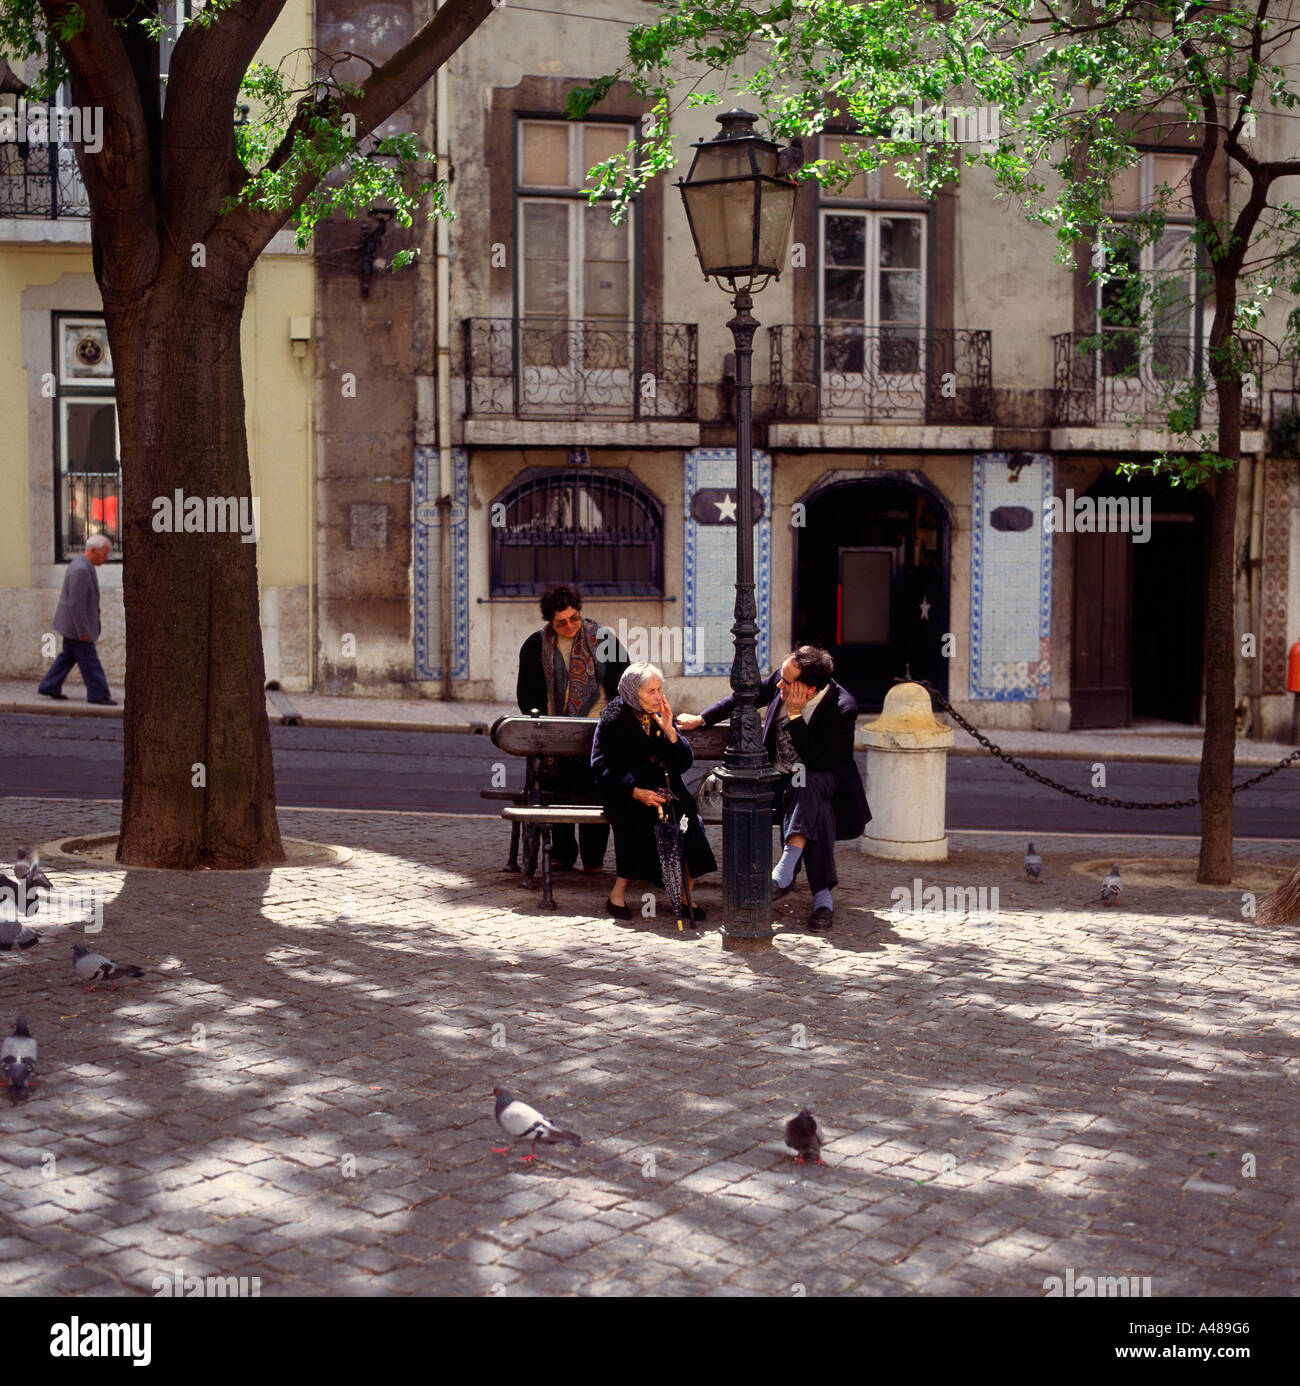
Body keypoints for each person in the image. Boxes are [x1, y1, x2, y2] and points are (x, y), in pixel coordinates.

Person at [678, 645, 868, 932]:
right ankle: (820, 897)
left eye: (788, 681)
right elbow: (743, 697)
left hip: (825, 780)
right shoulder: (784, 677)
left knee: (809, 780)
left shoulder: (843, 708)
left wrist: (794, 717)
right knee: (819, 810)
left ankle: (784, 874)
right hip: (780, 784)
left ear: (809, 688)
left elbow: (819, 761)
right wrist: (702, 719)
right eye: (781, 675)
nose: (779, 683)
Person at [590, 662, 716, 923]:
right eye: (650, 691)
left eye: (659, 689)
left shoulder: (661, 713)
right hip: (627, 790)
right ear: (633, 691)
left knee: (690, 824)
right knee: (635, 822)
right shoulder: (613, 714)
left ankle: (684, 896)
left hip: (666, 789)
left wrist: (671, 732)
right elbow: (601, 763)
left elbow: (683, 763)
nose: (658, 696)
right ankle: (617, 894)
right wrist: (635, 791)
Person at [516, 583, 628, 872]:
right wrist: (544, 723)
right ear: (549, 622)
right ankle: (563, 853)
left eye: (574, 618)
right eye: (561, 622)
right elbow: (526, 694)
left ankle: (593, 858)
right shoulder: (535, 645)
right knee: (560, 790)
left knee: (597, 789)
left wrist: (612, 719)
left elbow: (625, 684)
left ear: (580, 612)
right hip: (557, 734)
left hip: (599, 729)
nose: (569, 626)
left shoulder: (604, 639)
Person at [37, 534, 117, 706]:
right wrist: (83, 632)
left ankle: (49, 685)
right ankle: (98, 693)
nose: (106, 558)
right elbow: (76, 605)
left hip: (72, 625)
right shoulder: (81, 569)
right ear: (93, 550)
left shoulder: (83, 565)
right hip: (77, 627)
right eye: (104, 554)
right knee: (89, 660)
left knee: (68, 656)